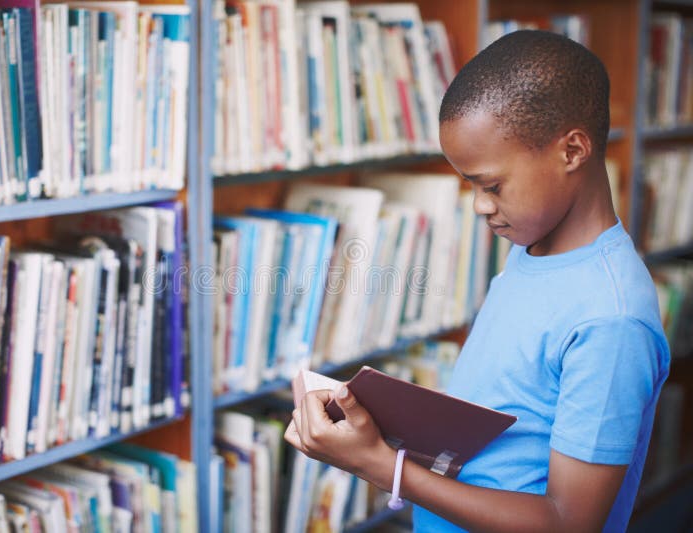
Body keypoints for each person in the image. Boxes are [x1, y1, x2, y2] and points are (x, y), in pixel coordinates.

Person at [285, 29, 670, 532]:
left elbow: (568, 522)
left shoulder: (611, 319)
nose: (479, 206)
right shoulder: (530, 250)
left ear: (572, 150)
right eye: (470, 185)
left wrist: (379, 465)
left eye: (492, 185)